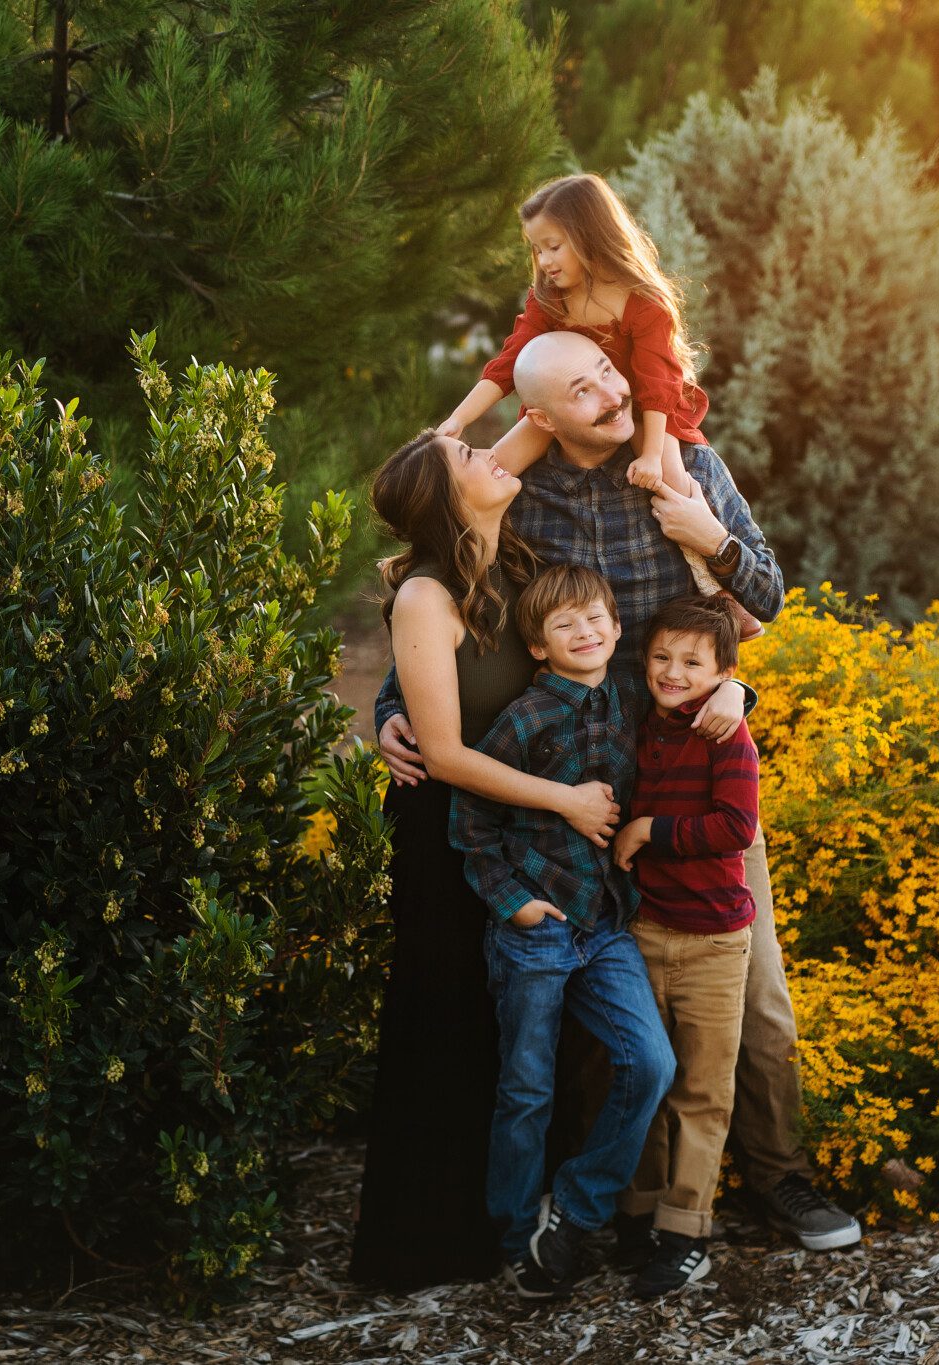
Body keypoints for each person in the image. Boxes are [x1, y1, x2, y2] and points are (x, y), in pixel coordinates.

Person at [376, 329, 862, 1253]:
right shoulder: (522, 495)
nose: (609, 392)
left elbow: (765, 598)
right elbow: (455, 598)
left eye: (609, 372)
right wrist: (393, 709)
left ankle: (778, 1174)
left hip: (695, 764)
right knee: (605, 1012)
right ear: (542, 417)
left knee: (753, 990)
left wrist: (713, 556)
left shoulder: (688, 464)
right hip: (583, 787)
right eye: (582, 388)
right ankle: (618, 1204)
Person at [350, 421, 627, 1291]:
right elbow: (443, 753)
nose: (489, 455)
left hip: (515, 832)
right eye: (469, 457)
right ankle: (431, 1240)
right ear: (447, 499)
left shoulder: (509, 562)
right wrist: (566, 800)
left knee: (514, 1031)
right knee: (449, 1022)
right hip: (447, 834)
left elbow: (539, 413)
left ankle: (517, 1221)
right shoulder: (426, 596)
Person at [449, 564, 674, 1299]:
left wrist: (739, 691)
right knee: (526, 1089)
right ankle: (518, 1240)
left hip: (605, 923)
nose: (585, 631)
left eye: (595, 617)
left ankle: (573, 1213)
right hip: (537, 928)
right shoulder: (524, 718)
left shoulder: (631, 695)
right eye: (564, 623)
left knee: (651, 1063)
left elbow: (697, 683)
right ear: (538, 647)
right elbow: (470, 820)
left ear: (617, 625)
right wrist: (512, 901)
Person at [437, 173, 759, 636]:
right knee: (488, 473)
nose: (544, 261)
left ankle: (718, 592)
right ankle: (439, 560)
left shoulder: (643, 303)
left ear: (589, 237)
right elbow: (509, 363)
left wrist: (651, 455)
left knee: (674, 483)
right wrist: (458, 419)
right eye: (537, 250)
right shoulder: (550, 301)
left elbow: (657, 383)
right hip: (567, 411)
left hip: (648, 410)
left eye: (554, 246)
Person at [609, 595, 761, 1297]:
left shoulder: (726, 735)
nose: (673, 672)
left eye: (693, 663)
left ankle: (685, 1232)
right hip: (645, 930)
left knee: (701, 1090)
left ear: (724, 673)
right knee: (643, 1078)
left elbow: (735, 826)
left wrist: (650, 831)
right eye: (662, 657)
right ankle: (637, 1215)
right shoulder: (643, 726)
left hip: (713, 943)